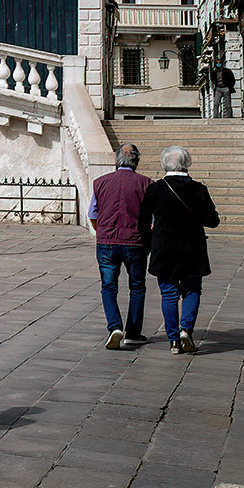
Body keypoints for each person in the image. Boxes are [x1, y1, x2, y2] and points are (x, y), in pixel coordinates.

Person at [139, 145, 219, 355]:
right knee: (192, 290)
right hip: (192, 249)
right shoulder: (199, 189)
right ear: (187, 163)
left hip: (164, 249)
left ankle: (173, 340)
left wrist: (148, 243)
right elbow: (213, 220)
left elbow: (142, 221)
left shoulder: (156, 189)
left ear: (164, 164)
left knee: (169, 293)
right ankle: (186, 330)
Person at [89, 143, 151, 350]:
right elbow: (152, 219)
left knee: (108, 286)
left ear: (116, 161)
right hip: (135, 241)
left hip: (107, 241)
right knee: (137, 287)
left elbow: (93, 214)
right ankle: (133, 332)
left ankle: (114, 326)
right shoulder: (146, 184)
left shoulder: (100, 182)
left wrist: (102, 232)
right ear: (137, 161)